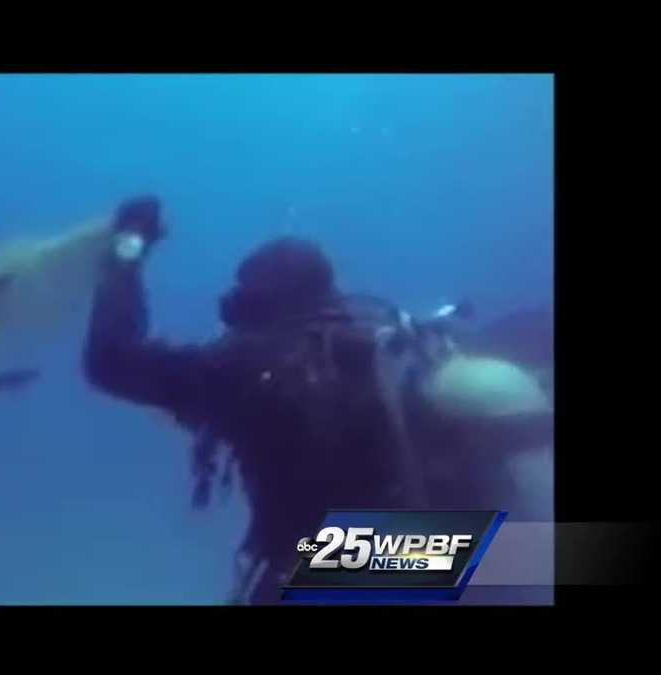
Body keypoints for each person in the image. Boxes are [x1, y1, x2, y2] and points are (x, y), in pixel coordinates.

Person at [83, 196, 553, 604]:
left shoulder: (243, 364)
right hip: (453, 556)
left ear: (248, 305)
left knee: (286, 574)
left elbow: (109, 360)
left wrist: (129, 246)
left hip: (339, 568)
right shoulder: (387, 345)